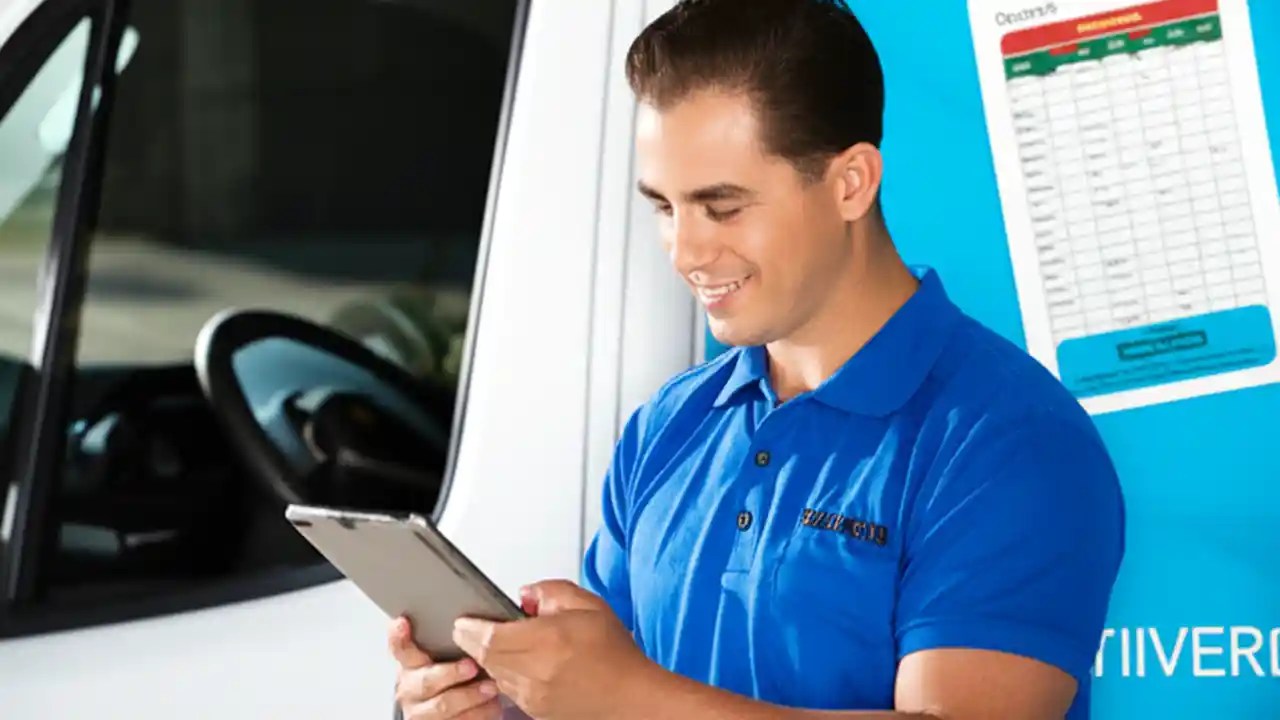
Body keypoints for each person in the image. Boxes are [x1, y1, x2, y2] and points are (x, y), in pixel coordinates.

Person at [388, 0, 1126, 718]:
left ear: (851, 183)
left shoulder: (1010, 440)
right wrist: (493, 710)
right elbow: (596, 701)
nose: (685, 251)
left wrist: (627, 700)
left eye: (723, 206)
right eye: (664, 207)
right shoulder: (669, 427)